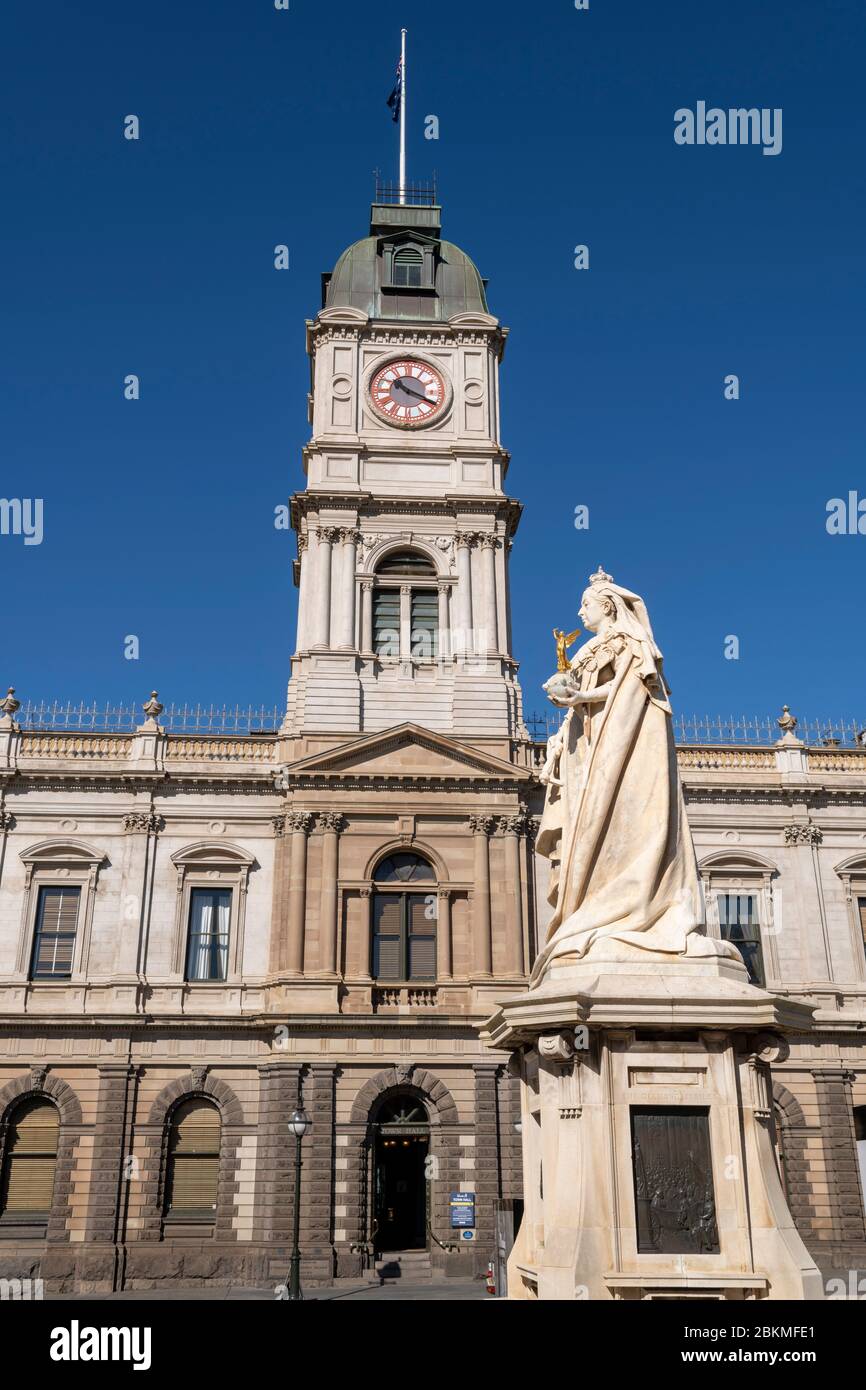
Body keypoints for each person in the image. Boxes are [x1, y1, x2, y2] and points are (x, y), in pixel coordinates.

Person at [531, 568, 739, 985]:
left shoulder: (630, 641)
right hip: (590, 752)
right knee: (592, 836)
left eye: (585, 604)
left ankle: (632, 911)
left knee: (622, 821)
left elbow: (635, 691)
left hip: (623, 747)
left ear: (606, 606)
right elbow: (581, 707)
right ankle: (594, 910)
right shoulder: (591, 648)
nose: (579, 610)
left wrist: (582, 696)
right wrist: (560, 734)